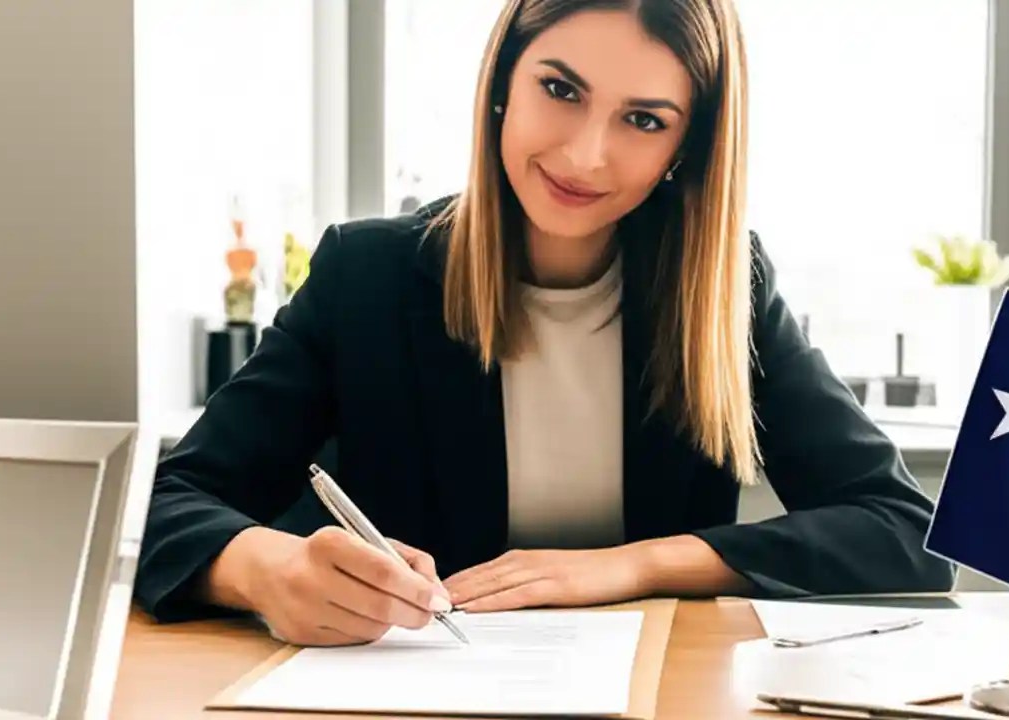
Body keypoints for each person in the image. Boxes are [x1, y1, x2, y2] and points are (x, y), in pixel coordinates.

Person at [134, 0, 956, 646]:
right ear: (502, 85)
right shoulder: (368, 275)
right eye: (560, 90)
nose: (585, 155)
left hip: (650, 698)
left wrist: (628, 568)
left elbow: (906, 532)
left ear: (686, 147)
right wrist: (263, 568)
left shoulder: (723, 286)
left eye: (643, 119)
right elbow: (169, 504)